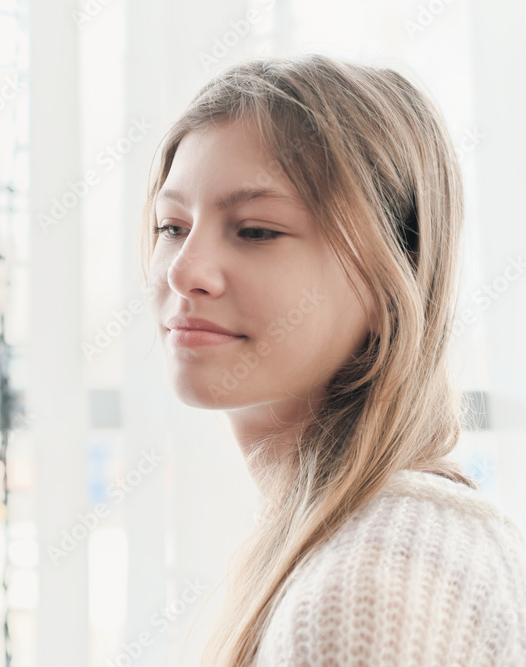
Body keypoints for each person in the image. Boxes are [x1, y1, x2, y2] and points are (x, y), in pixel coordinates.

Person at [141, 53, 526, 665]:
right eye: (171, 226)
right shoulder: (341, 545)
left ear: (389, 281)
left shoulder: (371, 591)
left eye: (256, 230)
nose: (185, 271)